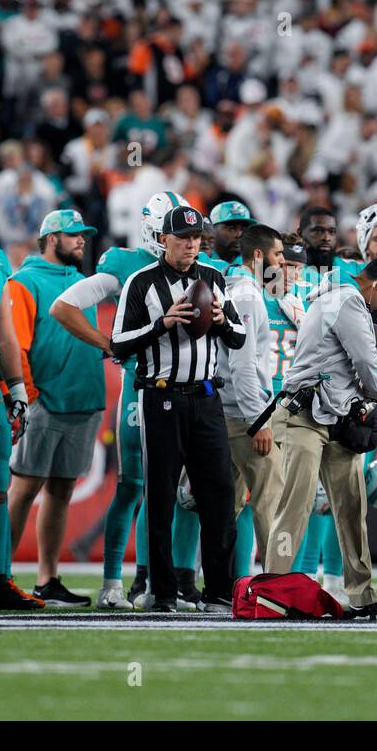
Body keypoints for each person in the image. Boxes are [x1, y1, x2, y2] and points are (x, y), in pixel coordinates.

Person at [50, 190, 204, 609]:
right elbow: (64, 306)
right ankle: (113, 584)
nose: (181, 240)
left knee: (176, 490)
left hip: (188, 389)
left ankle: (163, 584)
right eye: (169, 232)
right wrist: (111, 344)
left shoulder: (200, 268)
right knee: (133, 484)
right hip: (143, 388)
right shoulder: (126, 265)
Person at [110, 204, 246, 612]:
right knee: (161, 494)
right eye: (183, 239)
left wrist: (221, 320)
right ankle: (161, 591)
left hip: (206, 397)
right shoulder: (142, 282)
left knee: (219, 495)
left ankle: (218, 591)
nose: (191, 246)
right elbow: (118, 344)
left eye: (197, 239)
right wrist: (163, 324)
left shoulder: (214, 278)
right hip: (161, 395)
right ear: (163, 239)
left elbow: (238, 337)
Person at [266, 254, 377, 616]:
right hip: (304, 414)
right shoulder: (347, 300)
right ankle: (271, 591)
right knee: (295, 506)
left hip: (334, 415)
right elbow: (366, 362)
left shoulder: (333, 293)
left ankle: (361, 596)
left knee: (351, 506)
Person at [5, 210, 106, 607]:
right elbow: (15, 346)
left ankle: (47, 578)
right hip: (44, 400)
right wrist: (27, 396)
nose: (81, 240)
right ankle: (0, 575)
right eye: (73, 235)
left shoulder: (83, 283)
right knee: (24, 488)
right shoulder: (23, 282)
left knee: (61, 489)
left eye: (84, 234)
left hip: (82, 399)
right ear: (49, 238)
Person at [220, 223, 289, 567]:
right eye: (278, 254)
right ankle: (276, 583)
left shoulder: (235, 287)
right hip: (242, 415)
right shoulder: (248, 296)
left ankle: (221, 585)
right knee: (271, 500)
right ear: (259, 255)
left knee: (227, 504)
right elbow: (243, 364)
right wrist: (258, 421)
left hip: (227, 411)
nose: (283, 262)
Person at [208, 200, 256, 268]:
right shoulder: (199, 262)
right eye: (232, 228)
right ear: (212, 230)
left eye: (244, 229)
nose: (239, 234)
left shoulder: (251, 263)